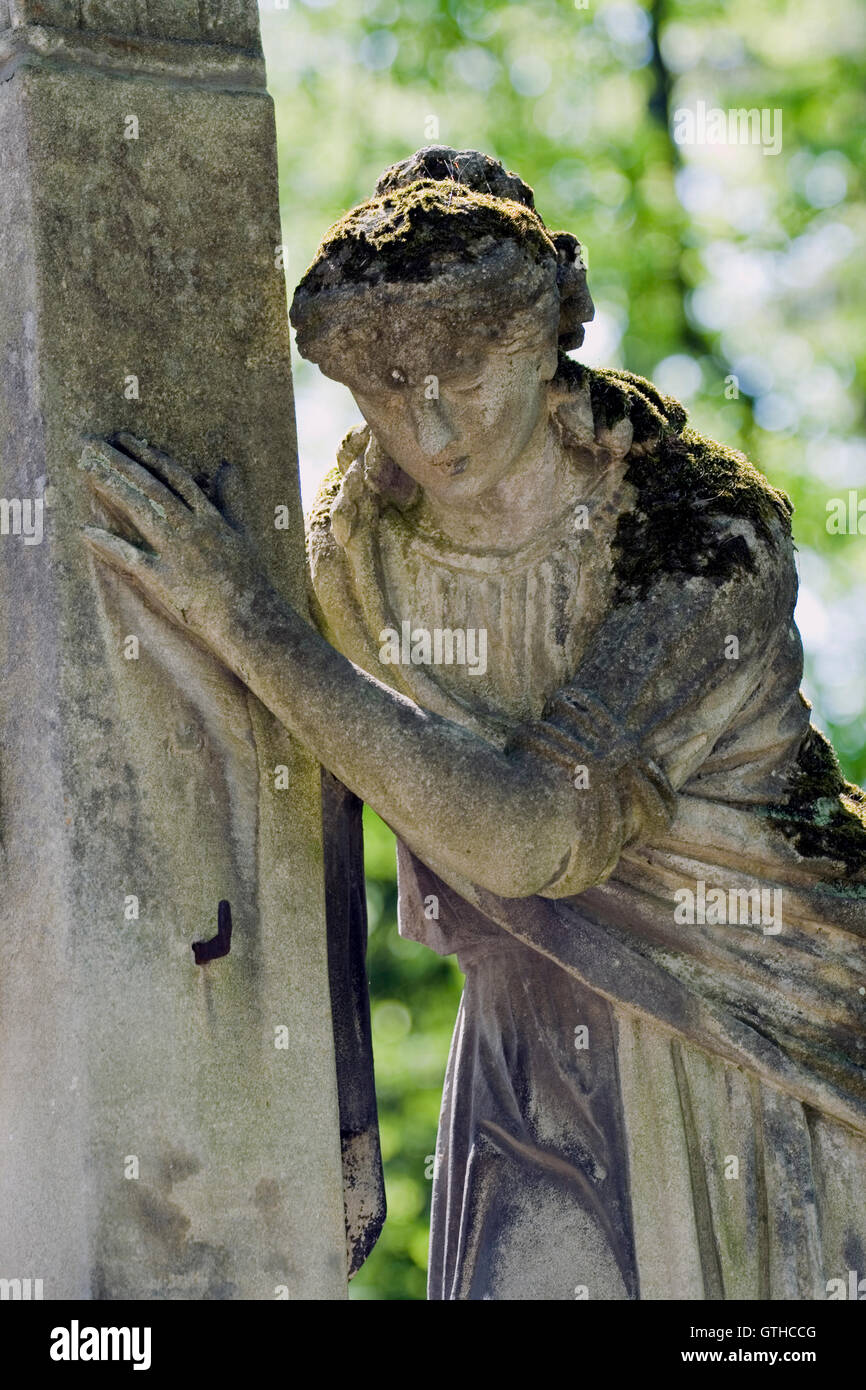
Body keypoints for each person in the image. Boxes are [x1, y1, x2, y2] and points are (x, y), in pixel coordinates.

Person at [81, 147, 866, 1300]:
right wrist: (335, 1123)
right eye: (388, 390)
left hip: (753, 1032)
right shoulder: (357, 543)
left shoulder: (697, 532)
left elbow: (532, 837)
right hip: (521, 1021)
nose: (431, 427)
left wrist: (245, 618)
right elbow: (313, 812)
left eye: (466, 370)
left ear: (553, 334)